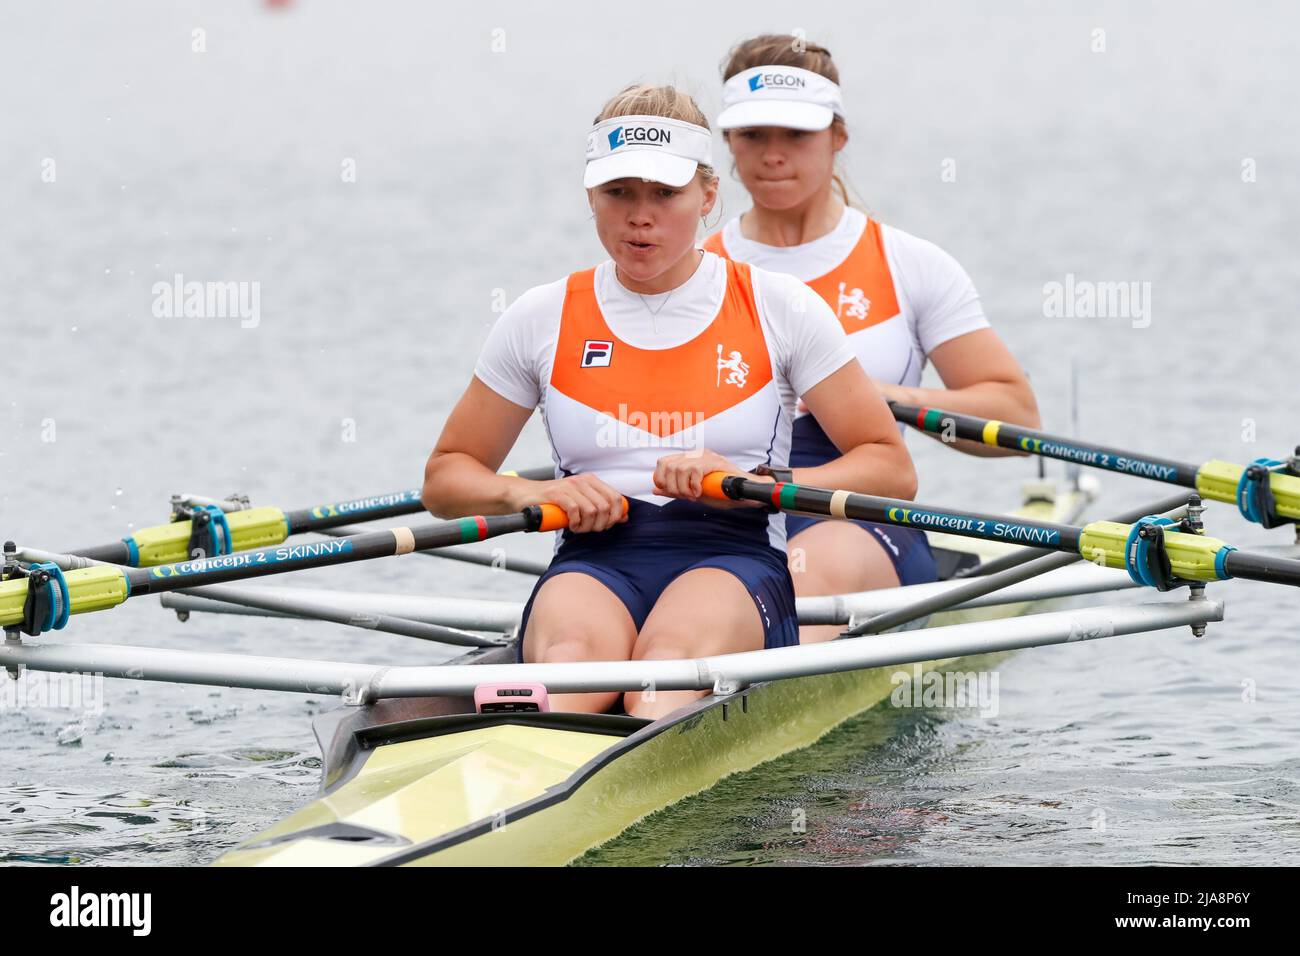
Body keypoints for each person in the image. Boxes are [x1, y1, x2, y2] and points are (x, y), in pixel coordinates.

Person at [422, 84, 916, 717]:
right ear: (591, 198)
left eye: (665, 193)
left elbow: (891, 469)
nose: (639, 216)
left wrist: (753, 482)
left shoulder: (779, 307)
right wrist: (534, 494)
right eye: (618, 193)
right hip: (594, 560)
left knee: (663, 675)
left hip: (731, 556)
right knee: (570, 663)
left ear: (708, 196)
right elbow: (445, 477)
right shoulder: (540, 316)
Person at [704, 36, 1041, 642]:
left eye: (796, 135)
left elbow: (1016, 421)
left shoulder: (908, 265)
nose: (773, 156)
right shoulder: (694, 268)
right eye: (754, 136)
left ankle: (708, 687)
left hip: (857, 515)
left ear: (837, 136)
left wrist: (876, 396)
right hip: (721, 518)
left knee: (795, 584)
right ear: (728, 142)